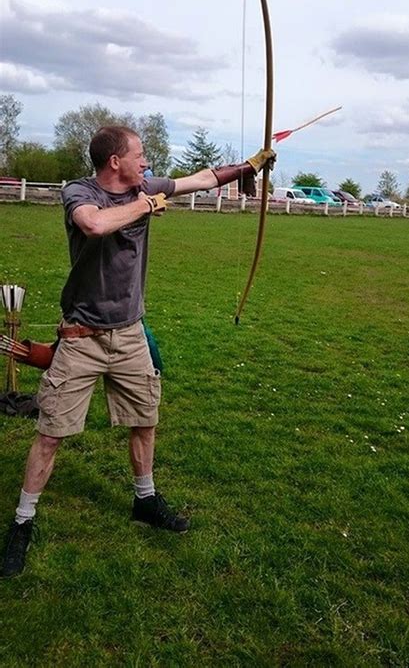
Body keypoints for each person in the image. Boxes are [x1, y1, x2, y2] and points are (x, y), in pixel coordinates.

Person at [1, 125, 275, 577]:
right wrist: (145, 204)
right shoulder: (79, 192)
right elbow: (93, 224)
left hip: (129, 335)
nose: (147, 162)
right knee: (50, 433)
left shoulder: (146, 185)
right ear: (115, 162)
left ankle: (144, 499)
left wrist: (247, 167)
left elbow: (200, 180)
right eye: (140, 154)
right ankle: (22, 522)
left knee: (145, 421)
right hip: (80, 337)